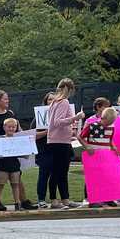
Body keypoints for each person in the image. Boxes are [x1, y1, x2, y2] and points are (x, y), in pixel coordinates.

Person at [46, 78, 84, 209]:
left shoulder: (54, 103)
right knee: (58, 171)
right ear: (70, 89)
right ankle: (54, 200)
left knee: (61, 171)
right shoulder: (64, 102)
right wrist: (76, 118)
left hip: (58, 140)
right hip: (60, 141)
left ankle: (65, 199)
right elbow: (58, 122)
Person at [0, 117, 34, 211]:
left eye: (13, 127)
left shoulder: (18, 140)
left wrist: (29, 149)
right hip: (2, 166)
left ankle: (17, 203)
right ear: (4, 127)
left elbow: (25, 154)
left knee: (15, 185)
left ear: (16, 127)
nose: (11, 129)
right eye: (9, 127)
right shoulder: (0, 139)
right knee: (0, 185)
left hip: (15, 166)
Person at [33, 92, 56, 209]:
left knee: (57, 175)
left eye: (54, 99)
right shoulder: (39, 117)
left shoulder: (61, 114)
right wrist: (47, 132)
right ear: (45, 102)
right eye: (49, 100)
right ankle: (41, 199)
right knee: (44, 175)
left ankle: (55, 199)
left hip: (57, 149)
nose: (51, 102)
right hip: (44, 150)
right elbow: (33, 135)